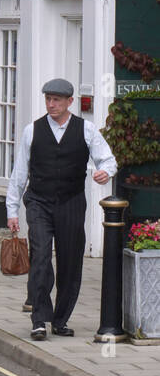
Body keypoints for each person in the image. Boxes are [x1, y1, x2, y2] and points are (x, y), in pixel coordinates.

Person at [6, 78, 116, 341]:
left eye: (56, 100)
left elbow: (108, 159)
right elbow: (19, 172)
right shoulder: (31, 131)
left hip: (72, 202)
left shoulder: (87, 130)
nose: (51, 104)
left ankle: (61, 319)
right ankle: (39, 319)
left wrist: (105, 173)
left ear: (70, 102)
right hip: (39, 201)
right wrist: (12, 210)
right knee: (41, 256)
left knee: (70, 261)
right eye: (48, 99)